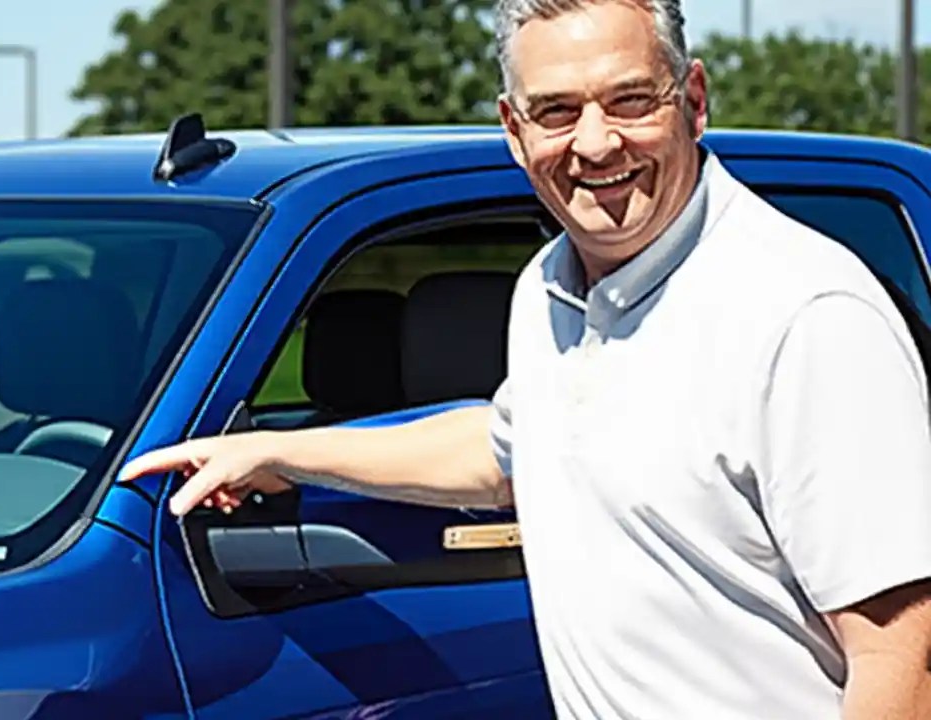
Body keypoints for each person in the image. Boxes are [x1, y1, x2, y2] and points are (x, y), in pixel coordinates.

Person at [120, 0, 931, 717]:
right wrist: (282, 454)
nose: (596, 142)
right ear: (514, 131)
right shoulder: (550, 285)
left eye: (630, 99)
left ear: (693, 100)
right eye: (556, 111)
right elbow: (509, 452)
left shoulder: (805, 315)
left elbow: (904, 657)